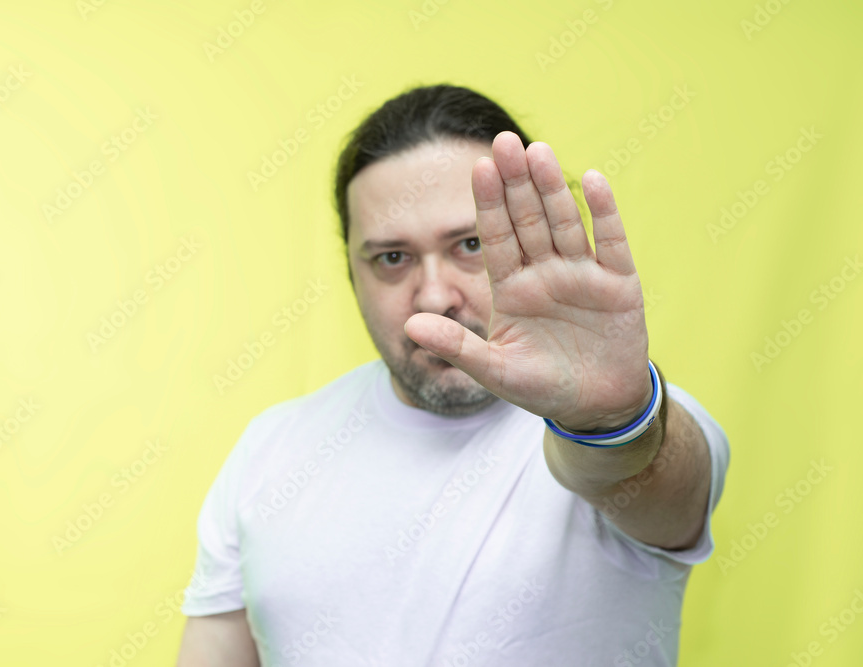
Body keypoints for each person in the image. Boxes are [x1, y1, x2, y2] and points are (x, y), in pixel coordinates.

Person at [175, 83, 729, 666]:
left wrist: (608, 419)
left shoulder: (632, 416)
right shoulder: (269, 450)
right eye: (393, 257)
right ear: (351, 271)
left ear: (527, 235)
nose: (435, 295)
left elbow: (650, 485)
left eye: (469, 244)